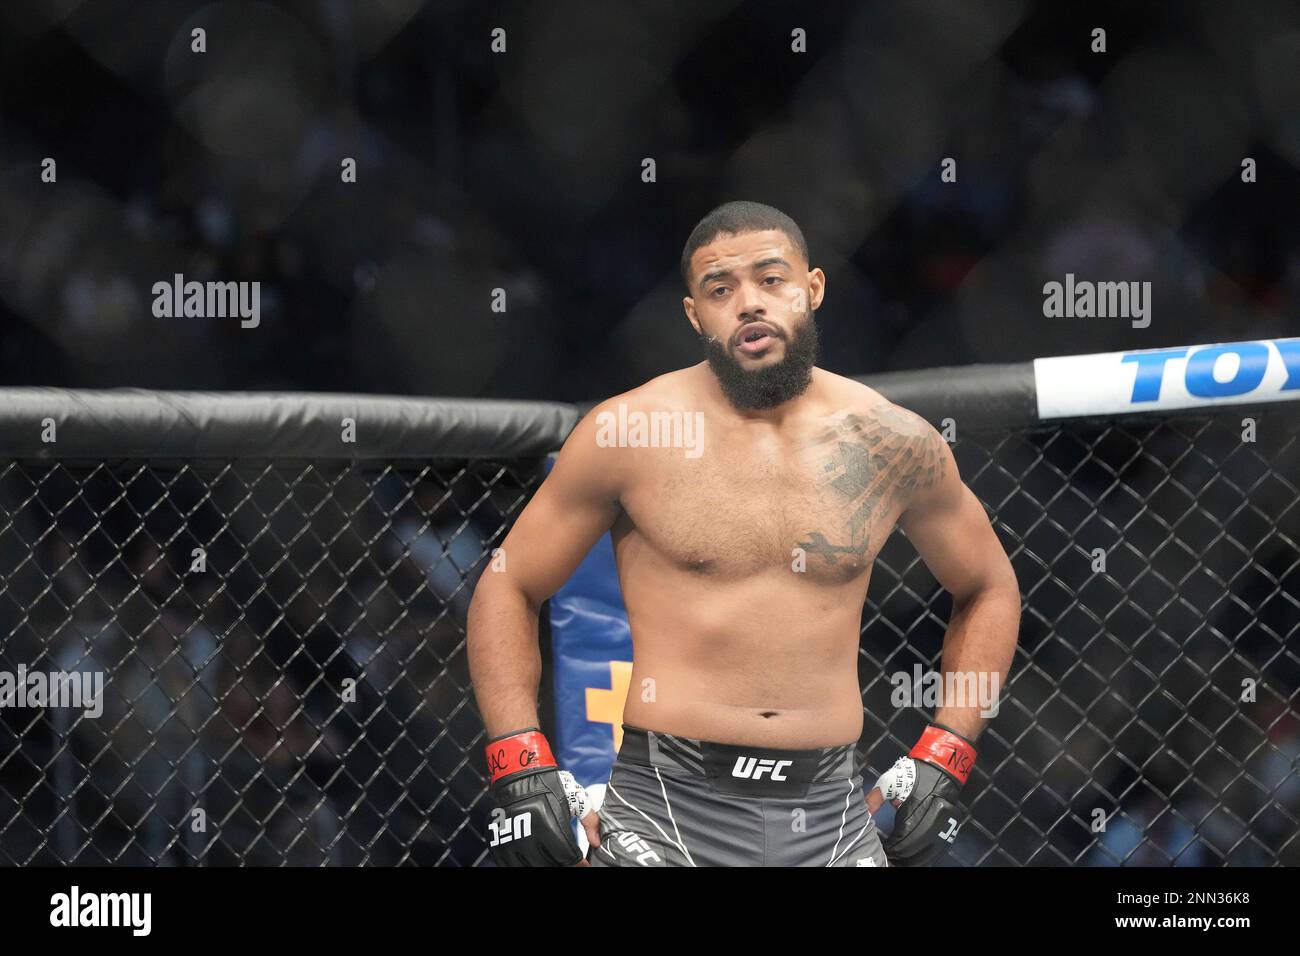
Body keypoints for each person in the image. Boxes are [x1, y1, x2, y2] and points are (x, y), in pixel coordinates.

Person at [468, 200, 1020, 866]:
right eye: (720, 289)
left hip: (831, 813)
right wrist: (519, 761)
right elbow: (508, 583)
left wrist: (947, 750)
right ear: (694, 314)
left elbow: (989, 585)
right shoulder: (629, 433)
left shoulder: (890, 441)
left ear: (813, 288)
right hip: (666, 809)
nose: (749, 302)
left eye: (771, 278)